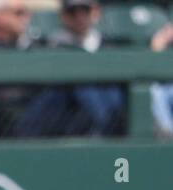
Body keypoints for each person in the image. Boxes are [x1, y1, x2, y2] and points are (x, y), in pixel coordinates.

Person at [15, 0, 123, 136]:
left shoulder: (109, 45)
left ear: (95, 13)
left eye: (85, 11)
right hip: (60, 110)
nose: (79, 17)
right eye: (72, 12)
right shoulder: (49, 45)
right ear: (63, 15)